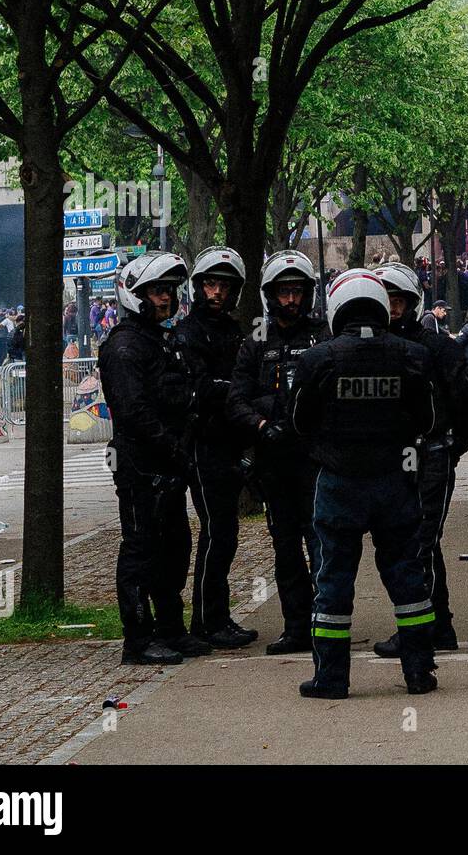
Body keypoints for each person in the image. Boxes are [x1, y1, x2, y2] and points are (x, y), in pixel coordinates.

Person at [290, 269, 439, 698]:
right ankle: (418, 672)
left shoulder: (318, 359)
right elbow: (427, 420)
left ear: (337, 309)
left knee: (333, 581)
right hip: (396, 483)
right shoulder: (411, 355)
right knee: (408, 580)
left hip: (339, 484)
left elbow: (300, 421)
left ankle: (331, 678)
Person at [99, 252, 203, 665]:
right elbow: (134, 411)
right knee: (141, 550)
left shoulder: (159, 339)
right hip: (143, 466)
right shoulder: (125, 346)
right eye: (158, 291)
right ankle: (138, 640)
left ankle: (170, 628)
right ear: (135, 295)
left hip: (168, 464)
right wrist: (172, 447)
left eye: (169, 291)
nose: (166, 298)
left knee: (175, 547)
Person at [227, 250, 329, 655]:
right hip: (274, 462)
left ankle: (328, 620)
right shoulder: (255, 342)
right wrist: (263, 425)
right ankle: (295, 626)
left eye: (297, 291)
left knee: (321, 543)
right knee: (286, 548)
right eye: (284, 292)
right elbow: (236, 399)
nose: (291, 300)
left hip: (317, 461)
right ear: (271, 295)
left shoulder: (324, 335)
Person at [372, 263, 468, 657]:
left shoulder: (435, 347)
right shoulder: (377, 347)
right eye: (387, 302)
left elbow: (464, 398)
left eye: (398, 302)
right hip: (396, 456)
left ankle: (418, 631)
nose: (392, 309)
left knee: (418, 542)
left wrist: (456, 445)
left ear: (411, 303)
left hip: (432, 452)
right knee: (418, 543)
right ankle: (440, 625)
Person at [173, 246, 257, 649]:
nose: (217, 292)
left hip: (229, 442)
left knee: (224, 533)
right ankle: (207, 621)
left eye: (224, 285)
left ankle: (214, 616)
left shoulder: (234, 330)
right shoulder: (188, 333)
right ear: (197, 286)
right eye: (210, 283)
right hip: (203, 445)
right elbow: (201, 388)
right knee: (217, 532)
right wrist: (237, 392)